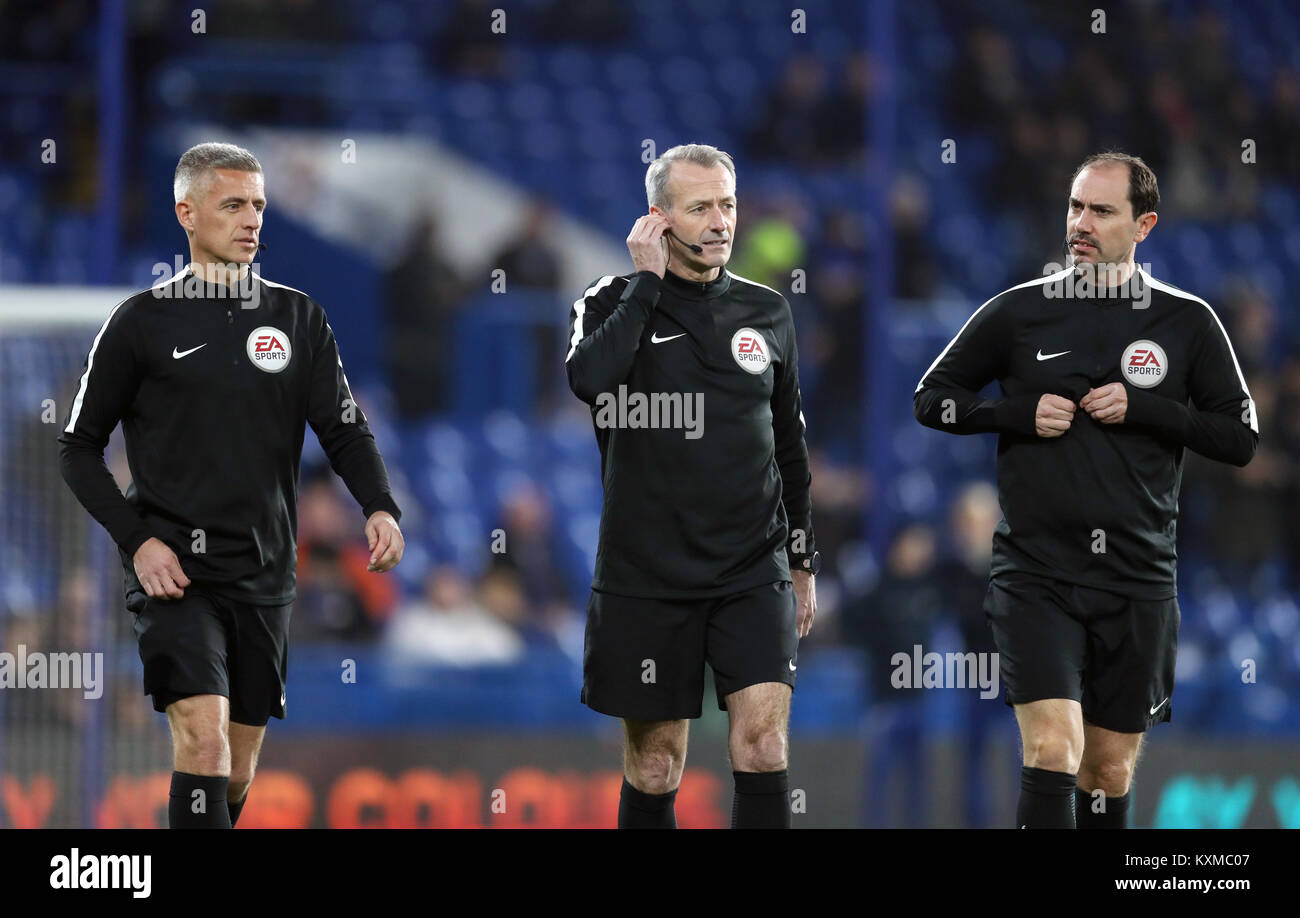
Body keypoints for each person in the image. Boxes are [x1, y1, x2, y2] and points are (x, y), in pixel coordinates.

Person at [58, 142, 404, 829]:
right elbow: (78, 448)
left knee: (237, 767)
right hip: (175, 575)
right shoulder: (140, 323)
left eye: (259, 206)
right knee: (204, 741)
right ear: (187, 213)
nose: (252, 221)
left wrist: (379, 505)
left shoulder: (298, 319)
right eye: (234, 205)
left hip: (265, 571)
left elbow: (343, 429)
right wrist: (139, 542)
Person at [914, 151, 1258, 828]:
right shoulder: (1019, 312)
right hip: (1036, 571)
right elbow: (932, 399)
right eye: (1076, 206)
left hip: (1137, 578)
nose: (1081, 223)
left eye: (1101, 211)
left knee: (1107, 770)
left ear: (1144, 224)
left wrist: (1147, 408)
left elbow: (1239, 439)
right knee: (1052, 748)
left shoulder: (1186, 323)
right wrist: (1010, 413)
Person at [565, 143, 818, 829]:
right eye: (700, 207)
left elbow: (790, 450)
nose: (719, 222)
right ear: (659, 219)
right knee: (656, 764)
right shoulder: (609, 300)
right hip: (647, 570)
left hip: (751, 563)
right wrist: (647, 284)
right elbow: (589, 382)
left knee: (764, 744)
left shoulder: (768, 314)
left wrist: (802, 559)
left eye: (728, 205)